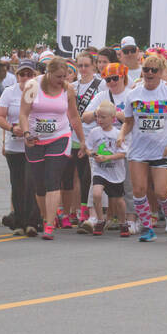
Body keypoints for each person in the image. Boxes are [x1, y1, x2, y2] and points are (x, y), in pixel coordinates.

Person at [118, 51, 167, 241]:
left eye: (153, 70)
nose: (149, 73)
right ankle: (148, 228)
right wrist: (122, 134)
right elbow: (129, 121)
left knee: (161, 192)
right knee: (139, 190)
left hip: (162, 148)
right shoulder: (133, 94)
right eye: (146, 69)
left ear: (161, 72)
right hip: (138, 149)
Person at [19, 57, 86, 240]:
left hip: (59, 136)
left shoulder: (68, 89)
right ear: (48, 73)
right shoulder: (32, 86)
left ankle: (49, 225)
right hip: (35, 139)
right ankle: (46, 215)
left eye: (65, 76)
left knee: (52, 179)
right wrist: (26, 134)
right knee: (39, 184)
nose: (61, 80)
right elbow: (23, 114)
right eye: (58, 76)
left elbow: (73, 117)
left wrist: (82, 140)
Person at [0, 58, 41, 234]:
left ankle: (33, 222)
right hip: (15, 145)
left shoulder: (40, 92)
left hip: (34, 144)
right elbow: (0, 116)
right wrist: (12, 129)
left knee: (32, 183)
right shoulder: (9, 92)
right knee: (18, 184)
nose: (25, 77)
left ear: (35, 75)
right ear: (17, 76)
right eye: (22, 74)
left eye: (29, 74)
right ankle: (20, 222)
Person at [65, 51, 104, 228]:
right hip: (74, 134)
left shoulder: (101, 84)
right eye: (80, 66)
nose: (83, 69)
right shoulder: (72, 86)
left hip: (95, 135)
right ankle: (77, 211)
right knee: (76, 175)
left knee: (91, 175)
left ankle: (90, 210)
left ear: (94, 66)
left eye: (86, 65)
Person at [81, 102, 127, 235]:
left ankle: (123, 223)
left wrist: (107, 158)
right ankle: (100, 220)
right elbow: (88, 148)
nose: (99, 120)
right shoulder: (94, 132)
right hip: (99, 170)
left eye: (103, 117)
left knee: (118, 200)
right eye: (98, 117)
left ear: (112, 118)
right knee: (96, 193)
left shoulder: (118, 133)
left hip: (114, 172)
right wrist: (92, 154)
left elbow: (123, 153)